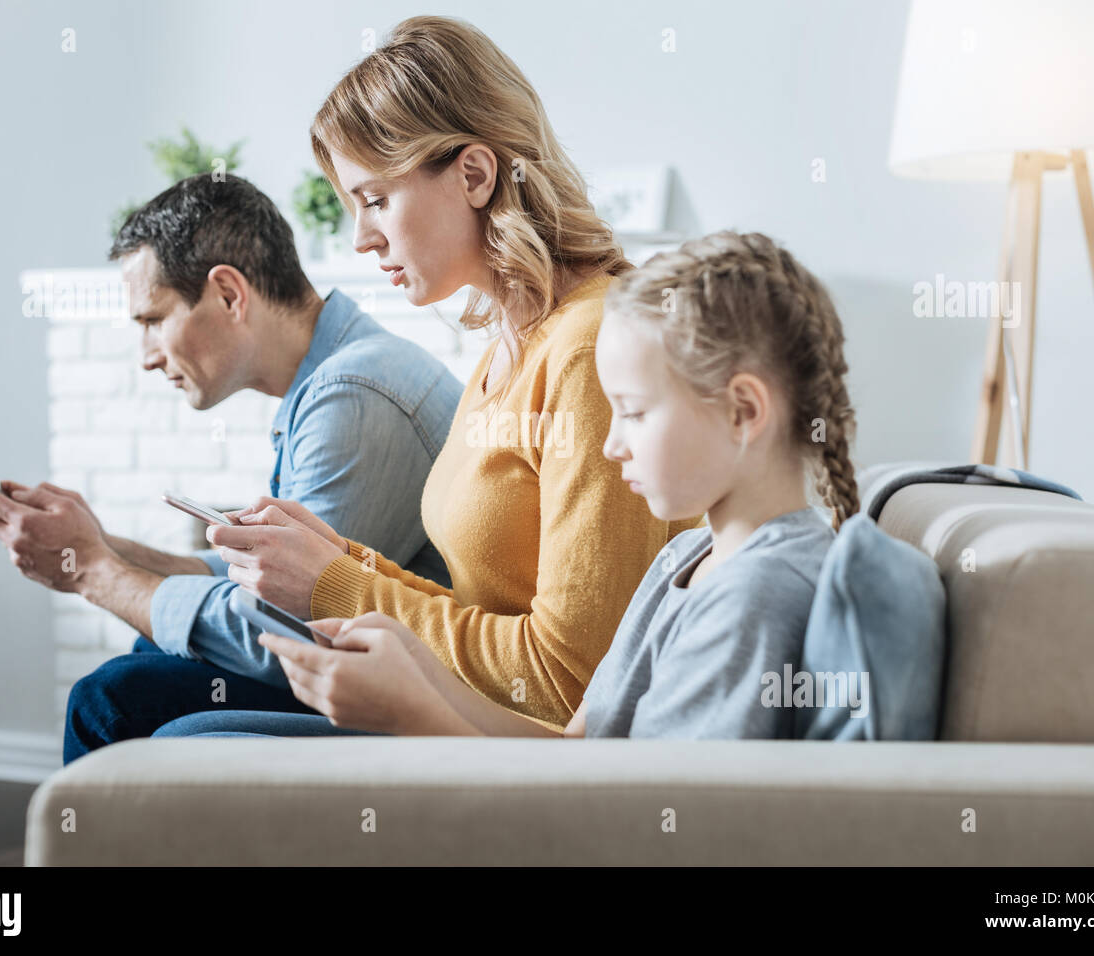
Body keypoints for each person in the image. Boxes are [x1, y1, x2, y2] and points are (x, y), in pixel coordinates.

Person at [156, 15, 705, 738]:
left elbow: (568, 684)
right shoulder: (508, 346)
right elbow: (486, 605)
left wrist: (335, 587)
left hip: (524, 750)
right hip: (469, 715)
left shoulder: (589, 347)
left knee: (174, 735)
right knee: (145, 701)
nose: (361, 236)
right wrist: (334, 557)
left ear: (474, 175)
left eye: (375, 199)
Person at [155, 230, 859, 740]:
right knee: (188, 742)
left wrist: (415, 715)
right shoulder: (686, 560)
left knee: (185, 745)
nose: (611, 444)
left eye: (635, 413)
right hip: (555, 804)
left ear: (743, 411)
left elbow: (642, 824)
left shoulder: (756, 597)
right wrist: (414, 669)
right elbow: (575, 751)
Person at [0, 173, 461, 763]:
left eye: (152, 320)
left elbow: (283, 634)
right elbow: (263, 579)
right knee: (146, 651)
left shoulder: (352, 393)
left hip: (423, 691)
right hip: (371, 659)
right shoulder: (332, 377)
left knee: (109, 698)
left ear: (229, 294)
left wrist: (93, 573)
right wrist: (100, 544)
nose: (148, 357)